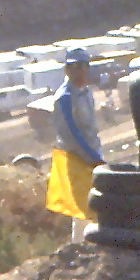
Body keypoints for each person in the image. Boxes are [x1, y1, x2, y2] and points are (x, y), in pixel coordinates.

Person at [45, 47, 104, 238]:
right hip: (76, 158)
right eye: (74, 67)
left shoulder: (86, 93)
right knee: (81, 210)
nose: (79, 71)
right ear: (67, 70)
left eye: (82, 66)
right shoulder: (64, 98)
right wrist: (93, 157)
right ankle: (78, 248)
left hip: (93, 154)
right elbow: (71, 134)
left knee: (95, 207)